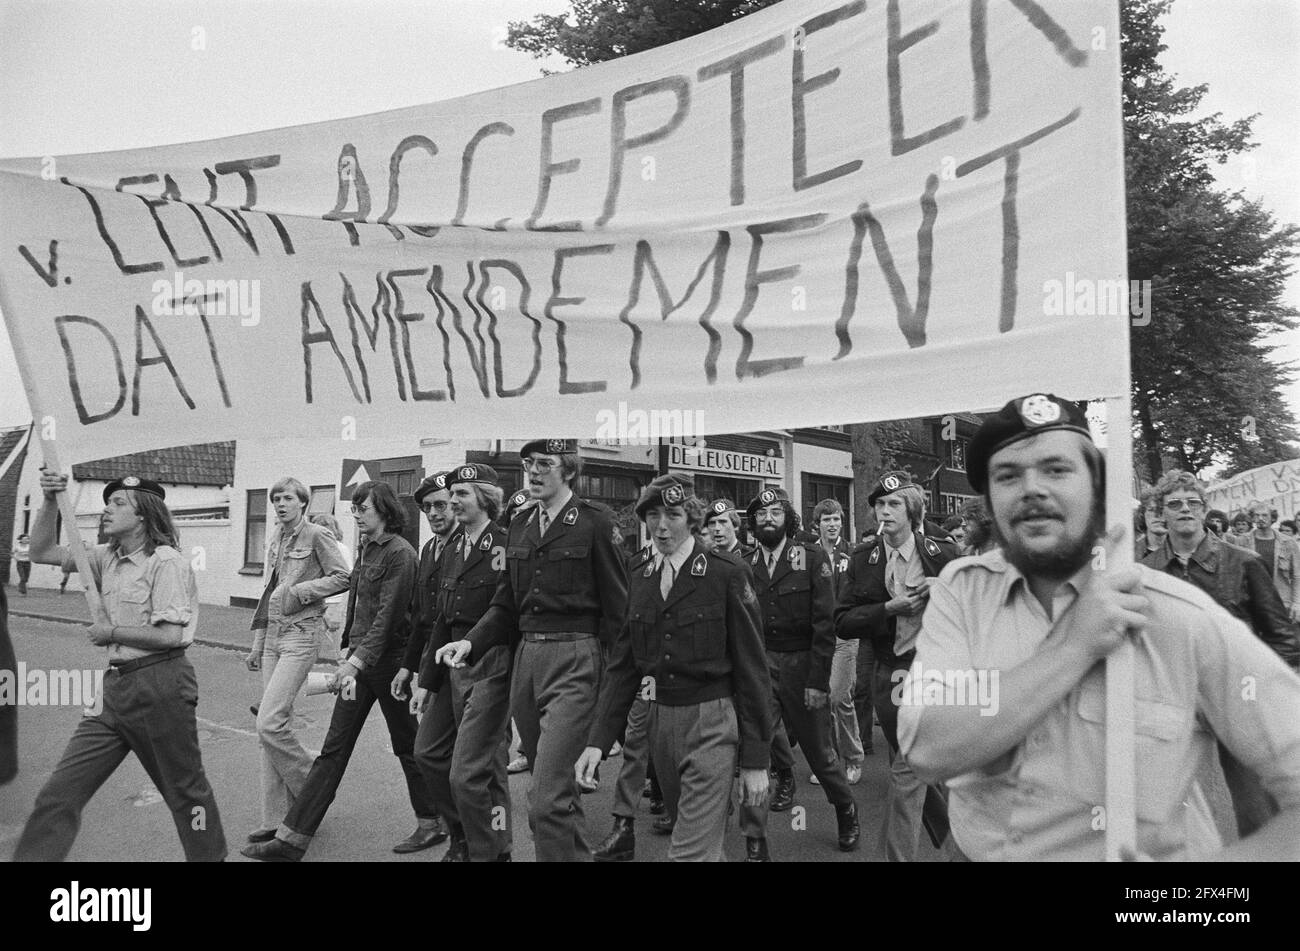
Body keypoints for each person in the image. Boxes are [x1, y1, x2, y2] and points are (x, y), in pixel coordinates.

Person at [899, 393, 1300, 861]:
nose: (1032, 489)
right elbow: (927, 749)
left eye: (1056, 469)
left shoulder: (1177, 616)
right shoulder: (963, 592)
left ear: (1096, 487)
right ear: (990, 502)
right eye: (1008, 476)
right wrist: (1074, 646)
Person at [14, 471, 226, 861]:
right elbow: (41, 551)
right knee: (59, 794)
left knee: (186, 794)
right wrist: (48, 500)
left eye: (117, 504)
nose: (106, 510)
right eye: (107, 503)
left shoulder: (167, 563)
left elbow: (169, 635)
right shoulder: (104, 557)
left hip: (161, 682)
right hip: (114, 690)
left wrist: (110, 629)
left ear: (144, 514)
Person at [437, 439, 628, 862]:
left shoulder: (595, 522)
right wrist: (471, 642)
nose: (533, 471)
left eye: (545, 463)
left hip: (576, 659)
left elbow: (619, 615)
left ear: (570, 471)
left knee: (544, 800)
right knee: (558, 790)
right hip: (527, 661)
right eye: (529, 463)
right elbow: (506, 602)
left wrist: (618, 694)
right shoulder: (520, 523)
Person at [576, 475, 771, 861]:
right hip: (659, 721)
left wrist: (756, 760)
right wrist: (597, 741)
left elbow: (753, 670)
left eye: (673, 514)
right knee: (697, 834)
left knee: (687, 852)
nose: (661, 526)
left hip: (712, 721)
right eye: (652, 515)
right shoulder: (639, 575)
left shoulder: (726, 573)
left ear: (692, 519)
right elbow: (623, 668)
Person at [242, 481, 439, 861]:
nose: (357, 516)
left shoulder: (401, 553)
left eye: (363, 509)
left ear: (383, 510)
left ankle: (432, 821)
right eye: (355, 510)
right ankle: (292, 838)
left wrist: (355, 661)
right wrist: (347, 644)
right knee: (334, 749)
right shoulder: (366, 549)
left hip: (388, 663)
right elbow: (356, 600)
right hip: (361, 661)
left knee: (407, 746)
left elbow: (390, 616)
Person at [1140, 469, 1300, 838]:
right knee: (1174, 819)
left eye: (1192, 503)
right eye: (1174, 504)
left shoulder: (1242, 562)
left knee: (1257, 811)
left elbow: (1283, 638)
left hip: (1238, 699)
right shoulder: (1146, 572)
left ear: (1205, 509)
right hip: (1174, 704)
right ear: (1160, 512)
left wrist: (1263, 693)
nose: (1184, 510)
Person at [833, 471, 959, 861]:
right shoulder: (863, 560)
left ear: (912, 511)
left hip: (932, 674)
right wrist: (887, 608)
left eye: (893, 505)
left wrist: (943, 589)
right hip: (888, 674)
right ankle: (958, 839)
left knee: (905, 777)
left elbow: (972, 609)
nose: (883, 512)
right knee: (911, 766)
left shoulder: (943, 556)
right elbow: (842, 620)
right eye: (879, 505)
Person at [737, 487, 859, 861]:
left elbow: (825, 625)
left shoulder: (812, 557)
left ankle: (846, 810)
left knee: (821, 756)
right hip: (760, 668)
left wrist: (817, 681)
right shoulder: (744, 564)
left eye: (775, 512)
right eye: (761, 514)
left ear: (787, 519)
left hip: (802, 666)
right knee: (753, 753)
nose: (768, 519)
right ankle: (755, 839)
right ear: (754, 524)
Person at [409, 464, 513, 862]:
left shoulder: (505, 543)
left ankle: (494, 850)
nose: (452, 502)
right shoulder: (452, 548)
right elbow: (441, 618)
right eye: (451, 495)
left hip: (490, 661)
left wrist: (472, 645)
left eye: (461, 494)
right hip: (450, 662)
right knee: (428, 753)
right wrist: (426, 681)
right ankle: (464, 834)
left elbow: (504, 610)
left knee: (482, 771)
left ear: (485, 497)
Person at [243, 479, 351, 845]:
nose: (280, 504)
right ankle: (276, 818)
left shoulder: (318, 535)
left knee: (269, 723)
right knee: (267, 730)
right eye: (275, 499)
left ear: (303, 502)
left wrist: (304, 592)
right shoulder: (276, 538)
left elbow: (343, 577)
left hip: (301, 635)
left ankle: (313, 789)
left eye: (287, 498)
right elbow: (268, 590)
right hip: (273, 634)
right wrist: (258, 642)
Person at [812, 498, 862, 787]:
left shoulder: (852, 553)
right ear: (817, 524)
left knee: (839, 696)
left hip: (845, 636)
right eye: (826, 519)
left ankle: (854, 757)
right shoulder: (811, 554)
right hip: (818, 637)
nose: (832, 524)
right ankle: (829, 761)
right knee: (821, 700)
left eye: (836, 519)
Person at [1233, 502, 1300, 620]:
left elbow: (1297, 576)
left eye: (1264, 515)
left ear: (1272, 518)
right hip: (1252, 601)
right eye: (1256, 516)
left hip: (1281, 601)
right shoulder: (1242, 541)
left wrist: (1297, 603)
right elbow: (1235, 574)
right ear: (1252, 518)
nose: (1260, 519)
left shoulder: (1289, 543)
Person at [308, 513, 352, 663]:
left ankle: (345, 685)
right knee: (307, 650)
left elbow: (348, 580)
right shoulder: (313, 550)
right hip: (317, 604)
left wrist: (338, 611)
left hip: (335, 604)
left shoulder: (340, 549)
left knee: (341, 655)